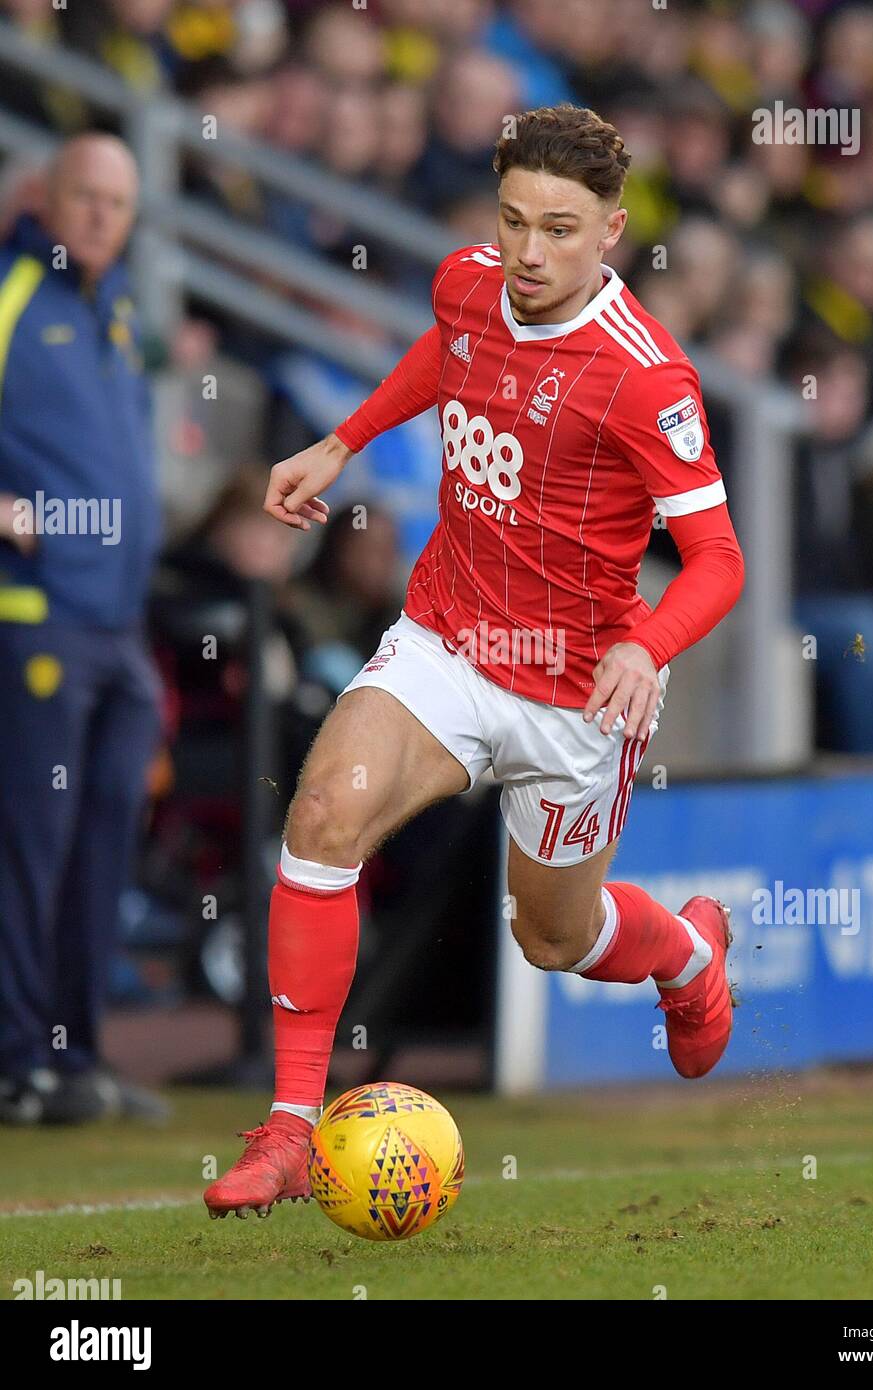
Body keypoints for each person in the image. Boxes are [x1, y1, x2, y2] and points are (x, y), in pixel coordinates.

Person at [204, 104, 745, 1218]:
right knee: (323, 817)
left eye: (558, 228)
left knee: (553, 937)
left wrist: (649, 644)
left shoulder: (648, 378)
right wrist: (342, 440)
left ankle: (686, 955)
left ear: (612, 230)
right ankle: (291, 1129)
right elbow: (444, 354)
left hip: (578, 683)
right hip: (449, 637)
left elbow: (718, 560)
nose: (530, 253)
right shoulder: (467, 281)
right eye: (512, 222)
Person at [0, 134, 165, 1123]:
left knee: (105, 841)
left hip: (119, 625)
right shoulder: (13, 294)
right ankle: (20, 1060)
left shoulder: (116, 309)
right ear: (44, 197)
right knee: (32, 841)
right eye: (86, 196)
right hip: (36, 617)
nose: (102, 215)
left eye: (119, 201)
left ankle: (79, 1055)